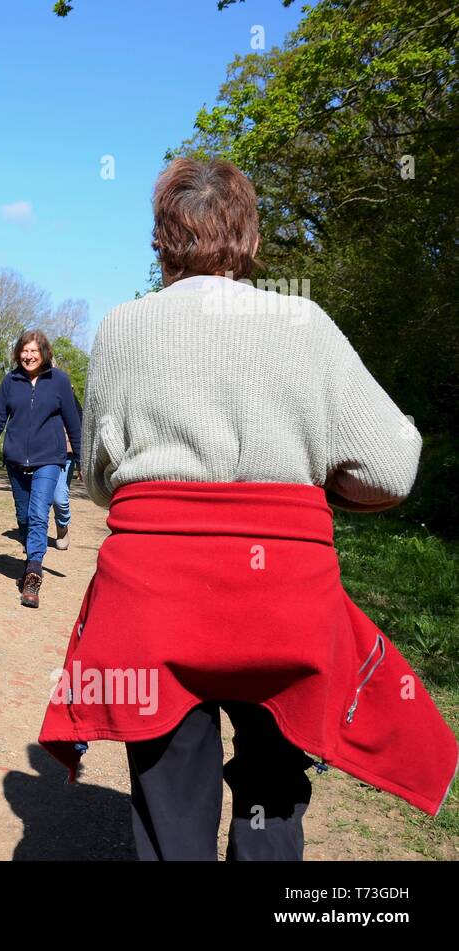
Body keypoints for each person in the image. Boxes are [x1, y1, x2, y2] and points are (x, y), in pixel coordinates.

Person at [38, 156, 456, 861]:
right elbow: (394, 465)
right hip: (281, 601)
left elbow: (101, 480)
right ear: (251, 238)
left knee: (169, 808)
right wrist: (317, 489)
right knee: (271, 796)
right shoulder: (305, 322)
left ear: (162, 239)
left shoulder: (122, 328)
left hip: (154, 594)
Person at [0, 330, 82, 607]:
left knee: (37, 512)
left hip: (49, 459)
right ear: (17, 353)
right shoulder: (11, 381)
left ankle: (33, 572)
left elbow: (74, 424)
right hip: (16, 461)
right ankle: (31, 552)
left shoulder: (59, 381)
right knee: (23, 515)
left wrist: (81, 459)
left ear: (44, 353)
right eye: (24, 351)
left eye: (34, 351)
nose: (28, 356)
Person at [50, 373, 82, 551]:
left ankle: (62, 528)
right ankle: (33, 535)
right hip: (41, 453)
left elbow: (80, 431)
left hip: (66, 456)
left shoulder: (71, 398)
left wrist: (80, 462)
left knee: (59, 498)